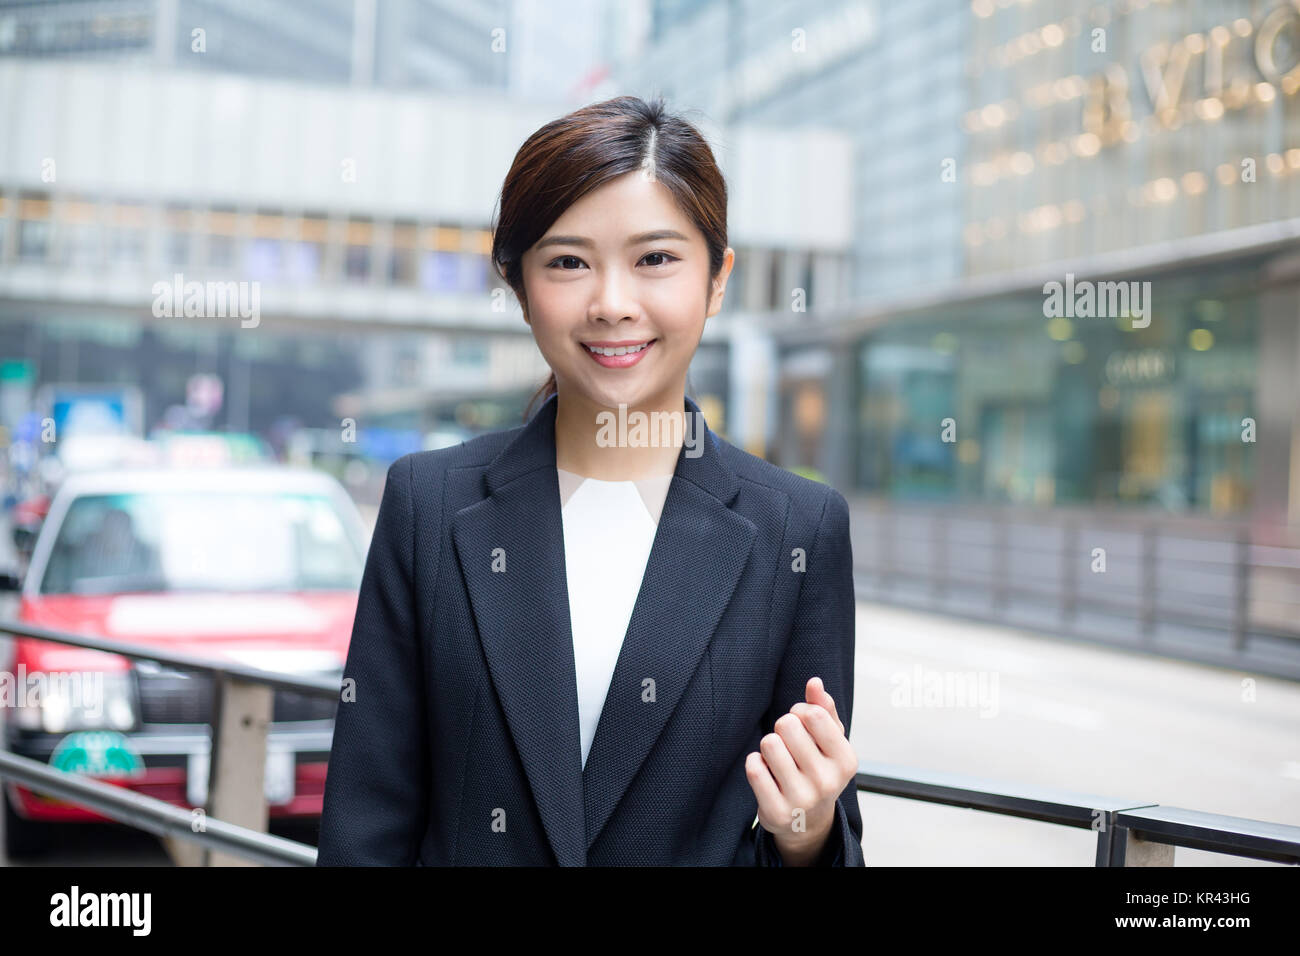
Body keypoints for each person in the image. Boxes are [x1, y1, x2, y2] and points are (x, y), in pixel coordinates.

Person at [317, 94, 863, 866]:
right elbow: (365, 824)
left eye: (656, 259)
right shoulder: (429, 505)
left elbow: (820, 833)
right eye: (568, 262)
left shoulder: (798, 530)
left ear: (716, 280)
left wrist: (804, 829)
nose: (612, 304)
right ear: (517, 283)